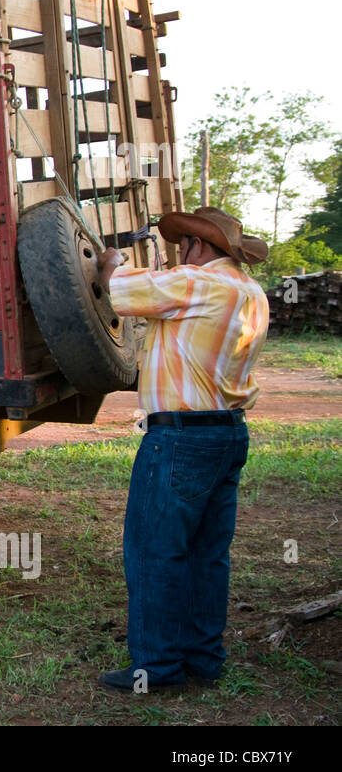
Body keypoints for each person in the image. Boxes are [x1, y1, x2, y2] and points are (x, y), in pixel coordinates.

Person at [94, 207, 269, 693]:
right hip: (228, 432)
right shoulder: (251, 293)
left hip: (181, 436)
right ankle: (203, 658)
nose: (180, 254)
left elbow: (123, 289)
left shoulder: (200, 282)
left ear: (201, 245)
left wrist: (109, 260)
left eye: (185, 244)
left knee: (155, 551)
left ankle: (157, 668)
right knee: (207, 553)